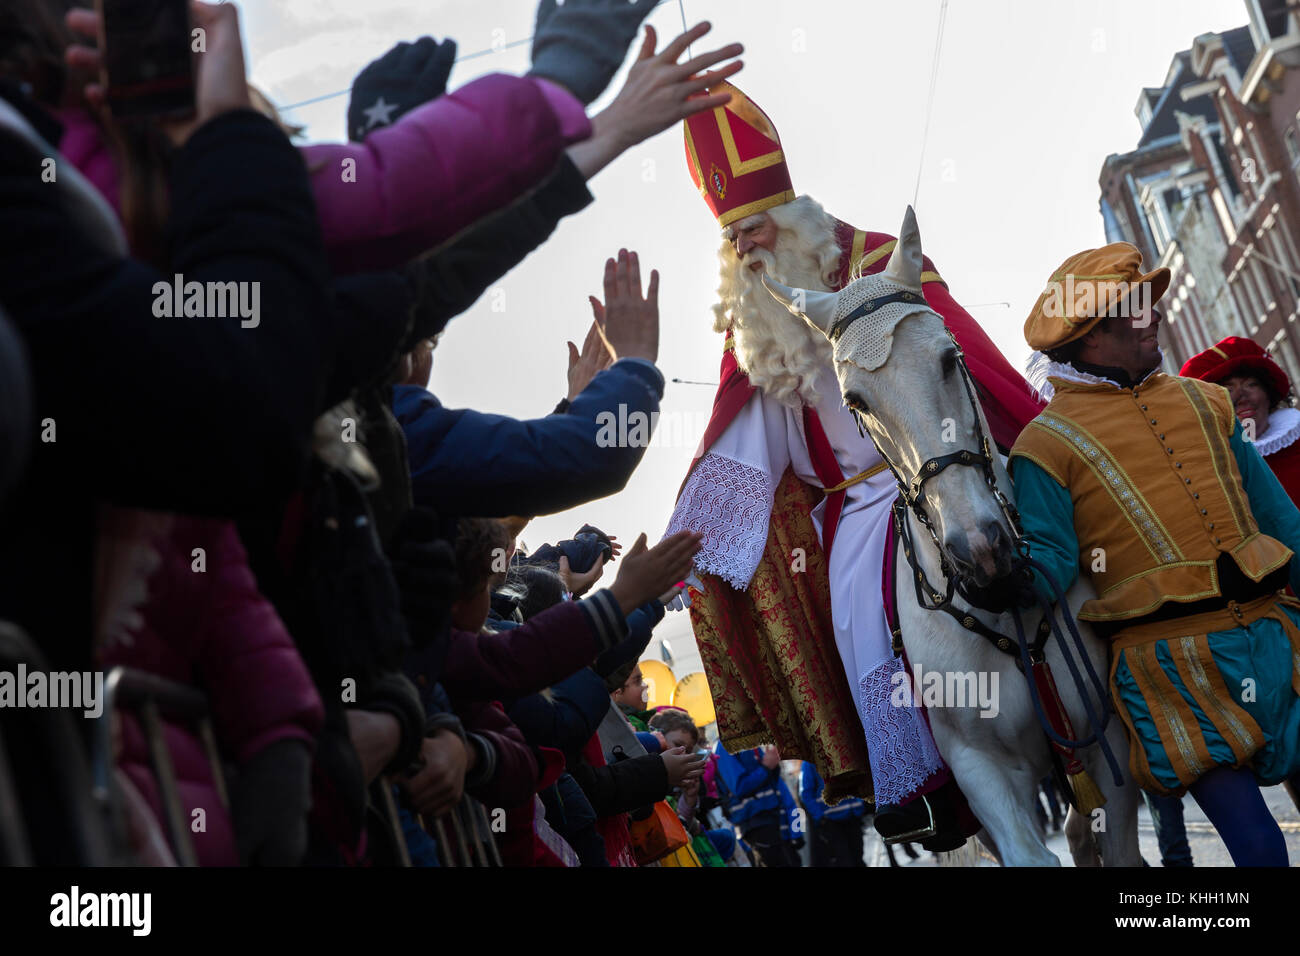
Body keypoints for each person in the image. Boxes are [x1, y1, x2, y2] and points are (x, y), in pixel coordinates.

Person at [663, 82, 1042, 846]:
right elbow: (750, 441)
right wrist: (693, 542)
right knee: (862, 625)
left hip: (948, 455)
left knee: (1046, 538)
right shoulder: (758, 327)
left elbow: (963, 359)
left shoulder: (877, 258)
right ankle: (923, 787)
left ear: (795, 216)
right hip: (861, 503)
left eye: (754, 226)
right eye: (732, 236)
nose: (744, 248)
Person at [1010, 243, 1300, 867]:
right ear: (1090, 335)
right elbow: (1050, 565)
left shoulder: (1207, 401)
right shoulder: (1044, 445)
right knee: (1261, 850)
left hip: (1276, 638)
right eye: (1137, 307)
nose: (1156, 315)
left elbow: (1282, 522)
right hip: (1174, 671)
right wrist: (995, 569)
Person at [800, 761, 867, 866]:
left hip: (853, 817)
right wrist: (820, 817)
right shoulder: (809, 761)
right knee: (844, 861)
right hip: (831, 822)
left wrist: (860, 804)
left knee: (858, 856)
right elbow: (806, 794)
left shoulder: (843, 751)